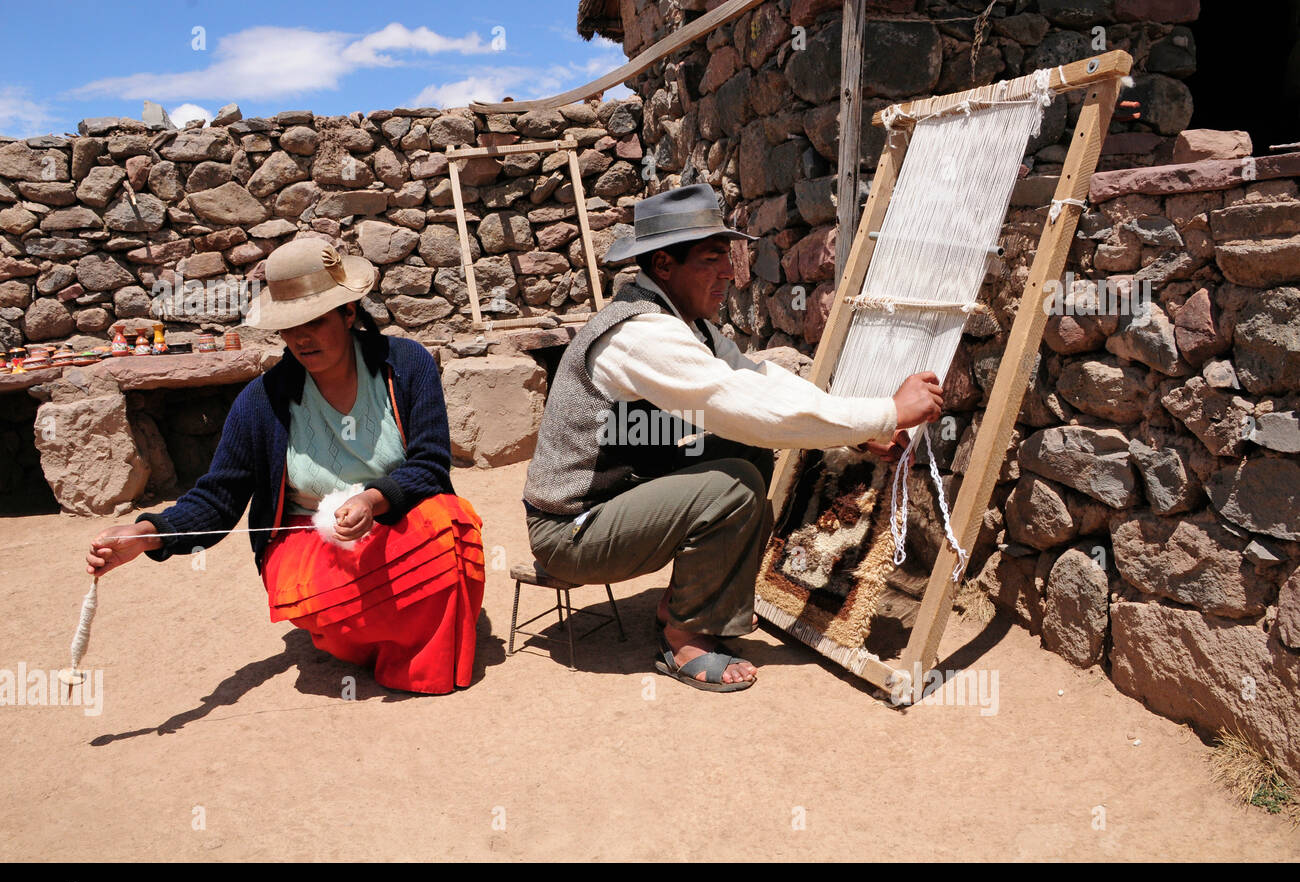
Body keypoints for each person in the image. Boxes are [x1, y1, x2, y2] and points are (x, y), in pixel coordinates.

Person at [523, 184, 943, 693]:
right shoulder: (640, 336)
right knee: (732, 486)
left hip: (618, 502)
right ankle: (684, 638)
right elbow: (745, 406)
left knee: (744, 451)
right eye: (711, 258)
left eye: (729, 256)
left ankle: (680, 604)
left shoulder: (686, 325)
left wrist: (861, 433)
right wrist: (887, 413)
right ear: (663, 264)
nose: (729, 272)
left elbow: (759, 380)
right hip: (571, 531)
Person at [86, 238, 485, 695]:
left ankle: (409, 652)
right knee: (356, 605)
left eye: (314, 321)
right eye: (289, 326)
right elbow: (218, 497)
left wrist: (372, 501)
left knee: (448, 524)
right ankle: (365, 629)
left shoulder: (407, 365)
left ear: (348, 313)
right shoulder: (261, 402)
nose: (301, 338)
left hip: (397, 523)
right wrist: (148, 533)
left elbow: (431, 465)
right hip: (313, 543)